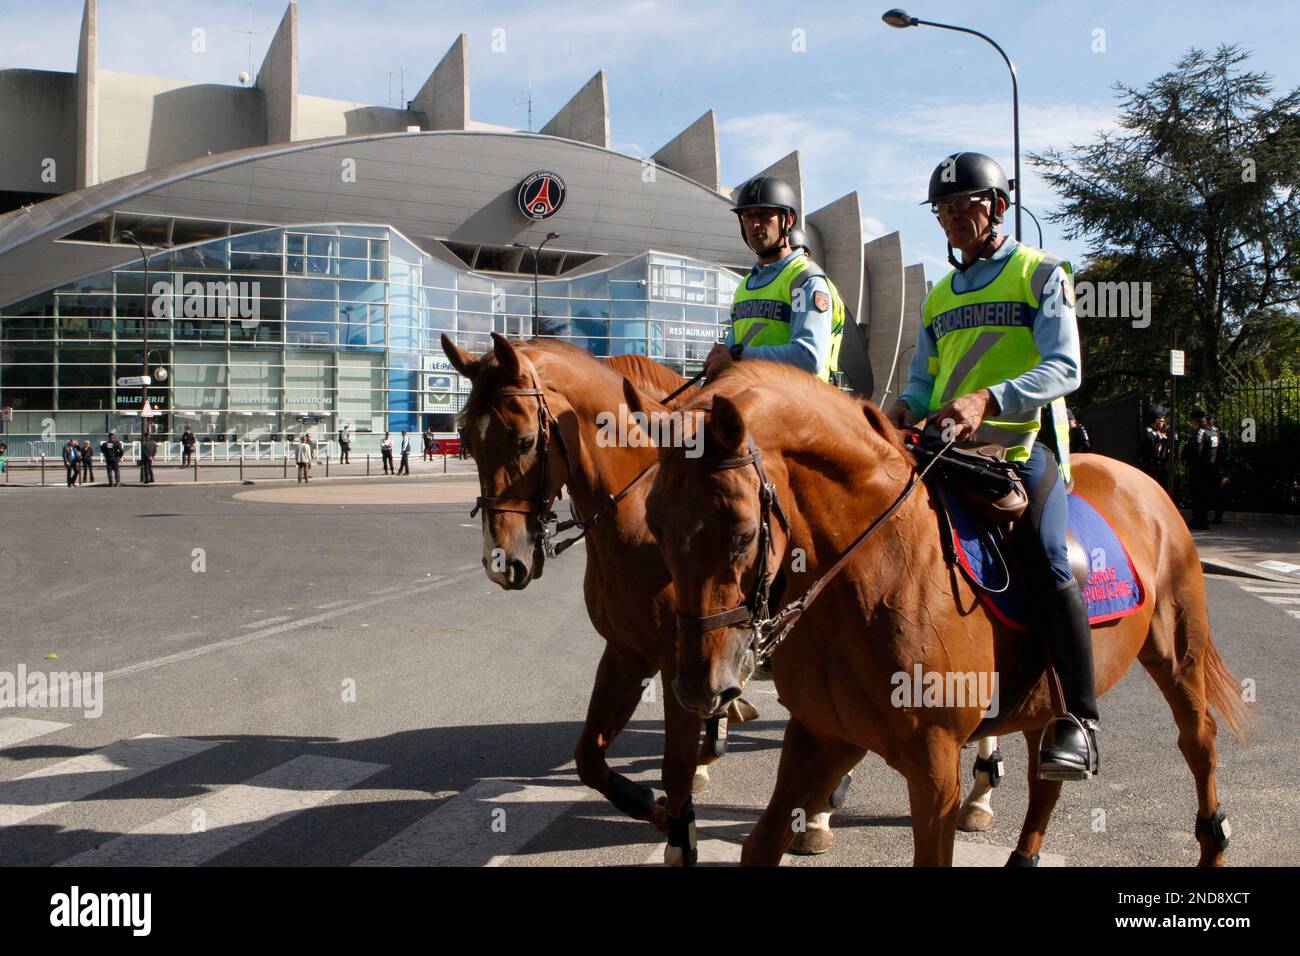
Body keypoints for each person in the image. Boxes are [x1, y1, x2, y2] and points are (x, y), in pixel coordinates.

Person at [886, 151, 1099, 782]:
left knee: (1044, 550)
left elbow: (1066, 367)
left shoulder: (1042, 273)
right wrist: (894, 413)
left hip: (1021, 449)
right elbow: (923, 385)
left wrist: (990, 398)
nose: (954, 219)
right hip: (943, 449)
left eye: (966, 206)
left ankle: (1079, 720)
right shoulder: (938, 295)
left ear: (997, 208)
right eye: (944, 210)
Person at [702, 176, 845, 384]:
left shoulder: (806, 280)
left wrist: (737, 356)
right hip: (748, 394)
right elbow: (734, 347)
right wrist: (720, 357)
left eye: (765, 215)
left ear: (789, 220)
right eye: (748, 216)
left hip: (798, 402)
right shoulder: (745, 285)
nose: (755, 224)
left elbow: (808, 357)